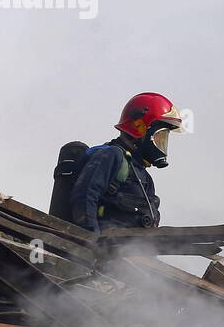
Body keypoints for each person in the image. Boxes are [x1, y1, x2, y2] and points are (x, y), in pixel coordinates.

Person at [66, 93, 183, 234]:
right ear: (139, 127)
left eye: (164, 138)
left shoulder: (145, 179)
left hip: (131, 252)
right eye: (160, 136)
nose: (162, 143)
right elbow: (84, 196)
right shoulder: (112, 156)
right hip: (104, 249)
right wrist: (92, 241)